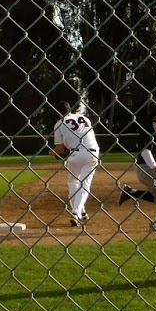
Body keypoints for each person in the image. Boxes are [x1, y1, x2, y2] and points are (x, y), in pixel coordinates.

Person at [120, 97, 156, 232]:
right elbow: (145, 150)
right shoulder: (151, 127)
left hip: (145, 168)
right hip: (148, 168)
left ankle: (131, 192)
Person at [51, 94, 102, 228]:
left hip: (75, 156)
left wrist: (52, 152)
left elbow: (60, 149)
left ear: (57, 112)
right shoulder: (84, 118)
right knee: (84, 185)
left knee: (73, 183)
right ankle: (80, 212)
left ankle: (76, 212)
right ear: (70, 110)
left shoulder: (59, 124)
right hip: (92, 153)